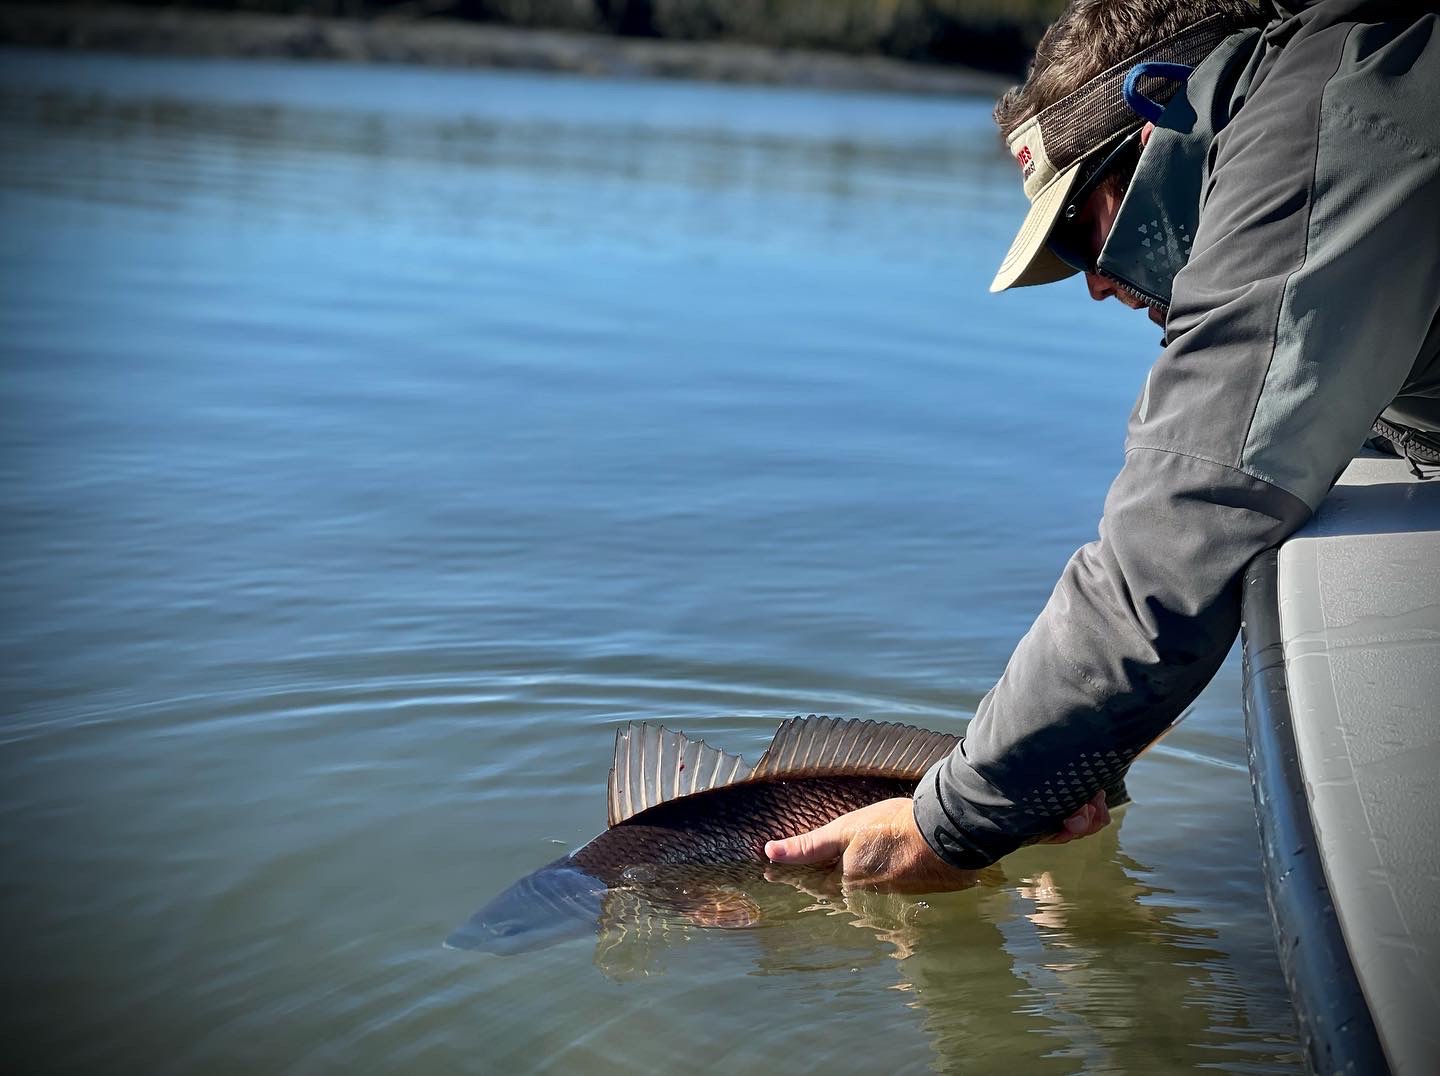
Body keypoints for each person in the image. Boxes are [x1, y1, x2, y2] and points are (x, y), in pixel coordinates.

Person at [765, 0, 1440, 887]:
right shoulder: (1358, 90)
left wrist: (945, 825)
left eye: (1081, 230)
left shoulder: (1321, 133)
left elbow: (1183, 531)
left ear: (1161, 121)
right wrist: (1077, 754)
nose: (1093, 285)